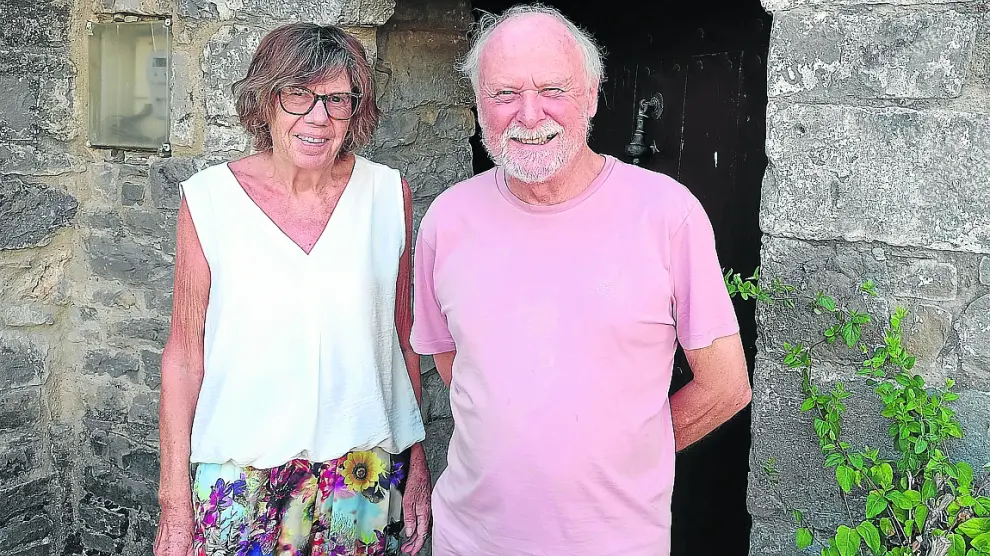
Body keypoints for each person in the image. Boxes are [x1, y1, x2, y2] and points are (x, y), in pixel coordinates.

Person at [411, 5, 752, 556]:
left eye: (553, 89)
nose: (529, 115)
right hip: (469, 540)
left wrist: (625, 460)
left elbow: (726, 386)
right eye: (504, 94)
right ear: (477, 103)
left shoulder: (667, 214)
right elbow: (458, 369)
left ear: (591, 95)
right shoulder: (447, 220)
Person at [154, 23, 432, 556]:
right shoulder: (210, 200)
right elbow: (184, 354)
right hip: (241, 478)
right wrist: (174, 502)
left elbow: (401, 342)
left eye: (336, 100)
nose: (318, 117)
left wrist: (415, 462)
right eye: (298, 94)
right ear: (266, 101)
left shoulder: (385, 194)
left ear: (356, 110)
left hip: (361, 476)